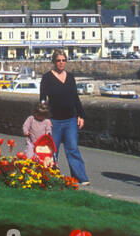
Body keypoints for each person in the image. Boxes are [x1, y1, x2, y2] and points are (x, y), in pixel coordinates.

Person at [39, 50, 89, 185]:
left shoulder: (71, 77)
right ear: (54, 62)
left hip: (70, 120)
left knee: (72, 148)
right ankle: (50, 177)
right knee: (52, 151)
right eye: (58, 60)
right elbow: (43, 99)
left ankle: (80, 177)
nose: (61, 63)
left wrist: (80, 115)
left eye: (63, 60)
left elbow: (75, 98)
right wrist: (46, 117)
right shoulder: (47, 78)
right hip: (54, 120)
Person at [22, 100, 54, 167]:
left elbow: (49, 129)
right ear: (35, 113)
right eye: (39, 115)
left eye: (42, 115)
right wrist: (26, 131)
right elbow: (25, 126)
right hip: (31, 141)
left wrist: (48, 134)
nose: (40, 117)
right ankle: (27, 166)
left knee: (42, 157)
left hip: (41, 144)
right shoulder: (31, 119)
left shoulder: (46, 121)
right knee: (29, 154)